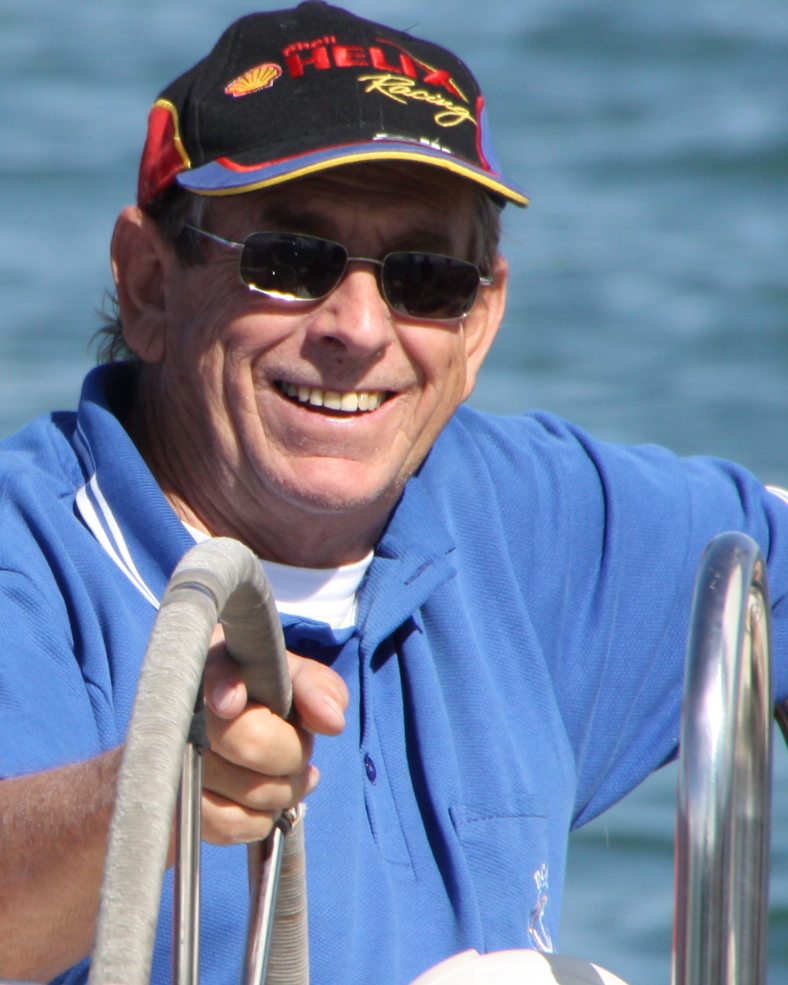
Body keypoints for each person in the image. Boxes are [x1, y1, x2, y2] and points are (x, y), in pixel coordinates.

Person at [0, 3, 786, 984]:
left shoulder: (537, 521)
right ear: (150, 285)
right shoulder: (27, 565)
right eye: (291, 260)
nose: (361, 327)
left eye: (425, 275)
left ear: (480, 321)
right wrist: (144, 796)